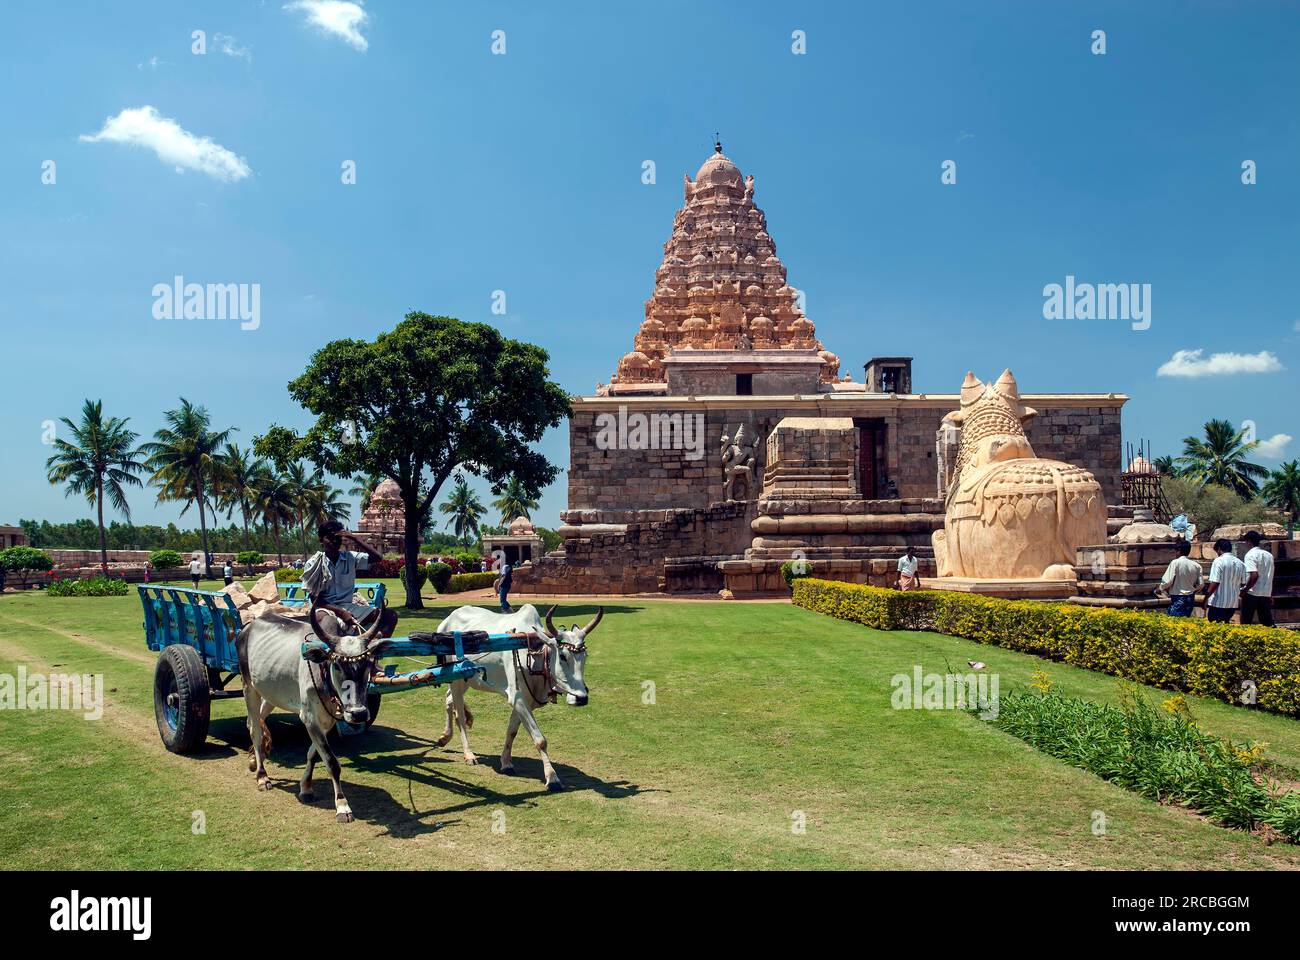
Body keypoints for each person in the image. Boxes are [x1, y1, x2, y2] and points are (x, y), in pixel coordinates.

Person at [302, 521, 398, 638]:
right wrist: (341, 612)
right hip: (324, 608)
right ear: (321, 540)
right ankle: (336, 653)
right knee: (329, 622)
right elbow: (316, 601)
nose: (334, 541)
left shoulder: (350, 557)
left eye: (338, 538)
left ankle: (375, 644)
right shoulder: (314, 564)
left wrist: (355, 538)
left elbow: (377, 558)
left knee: (390, 616)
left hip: (349, 606)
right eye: (329, 538)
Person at [1202, 538, 1246, 624]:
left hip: (1218, 602)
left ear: (1219, 549)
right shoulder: (1240, 563)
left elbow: (1215, 582)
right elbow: (1243, 583)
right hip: (1232, 603)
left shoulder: (1219, 561)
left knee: (1215, 626)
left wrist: (1205, 598)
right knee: (1225, 625)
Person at [1157, 539, 1202, 616]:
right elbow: (1201, 585)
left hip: (1178, 597)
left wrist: (1160, 588)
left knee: (1175, 622)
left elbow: (1168, 581)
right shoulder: (1196, 565)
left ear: (1179, 550)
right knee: (1186, 622)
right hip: (1190, 598)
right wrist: (1192, 590)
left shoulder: (1175, 563)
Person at [1241, 531, 1276, 627]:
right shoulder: (1269, 555)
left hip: (1252, 592)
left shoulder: (1250, 555)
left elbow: (1254, 575)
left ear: (1249, 541)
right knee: (1267, 622)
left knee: (1246, 621)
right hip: (1265, 592)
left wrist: (1245, 589)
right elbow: (1270, 575)